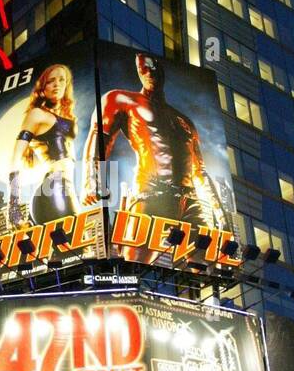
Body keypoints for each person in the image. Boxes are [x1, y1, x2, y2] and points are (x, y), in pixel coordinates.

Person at [82, 52, 233, 261]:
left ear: (162, 70)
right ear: (138, 71)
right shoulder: (121, 99)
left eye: (154, 66)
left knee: (206, 266)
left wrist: (221, 217)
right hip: (152, 192)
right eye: (144, 67)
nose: (149, 70)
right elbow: (100, 138)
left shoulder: (183, 120)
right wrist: (92, 179)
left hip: (191, 201)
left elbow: (200, 171)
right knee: (134, 263)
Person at [9, 64, 79, 227]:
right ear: (42, 88)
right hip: (54, 188)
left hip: (65, 187)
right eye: (51, 81)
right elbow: (15, 159)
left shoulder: (67, 115)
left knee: (78, 248)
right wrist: (13, 208)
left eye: (62, 80)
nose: (57, 84)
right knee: (76, 245)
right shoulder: (37, 114)